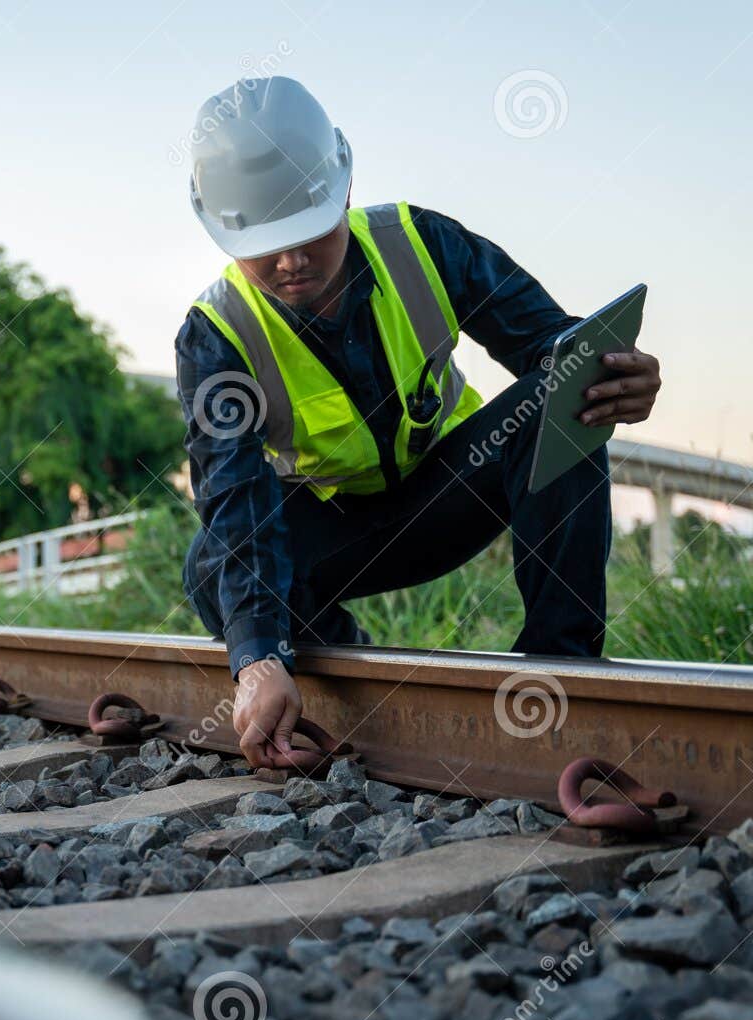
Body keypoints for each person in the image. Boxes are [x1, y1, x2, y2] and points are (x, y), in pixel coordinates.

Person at [176, 77, 662, 770]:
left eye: (308, 232)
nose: (290, 262)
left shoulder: (419, 243)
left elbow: (553, 344)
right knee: (209, 566)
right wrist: (256, 658)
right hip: (333, 531)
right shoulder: (215, 336)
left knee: (563, 391)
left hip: (450, 495)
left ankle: (562, 666)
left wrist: (614, 373)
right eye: (263, 244)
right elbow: (236, 498)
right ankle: (348, 662)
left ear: (342, 190)